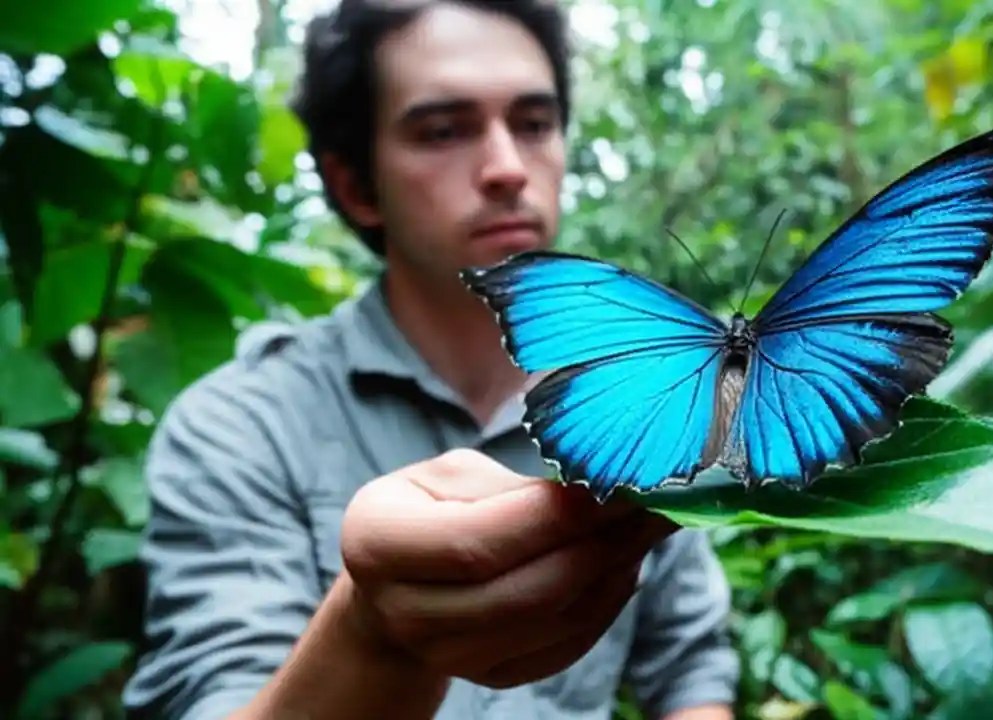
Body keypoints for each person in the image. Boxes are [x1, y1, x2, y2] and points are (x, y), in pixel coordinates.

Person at [121, 1, 740, 718]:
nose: (508, 167)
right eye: (444, 130)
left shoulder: (646, 399)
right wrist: (371, 633)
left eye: (535, 124)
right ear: (355, 186)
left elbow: (691, 672)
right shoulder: (240, 424)